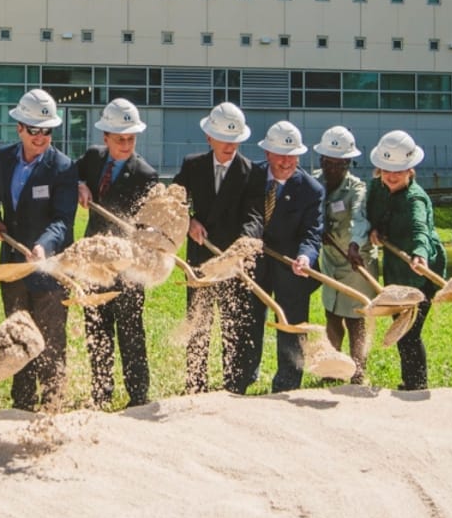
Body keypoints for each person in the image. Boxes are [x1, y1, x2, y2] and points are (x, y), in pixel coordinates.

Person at [0, 89, 79, 412]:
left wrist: (44, 246)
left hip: (50, 270)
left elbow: (63, 220)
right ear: (20, 128)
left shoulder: (62, 167)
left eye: (47, 131)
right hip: (13, 268)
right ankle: (21, 405)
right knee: (19, 337)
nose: (41, 137)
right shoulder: (4, 158)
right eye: (34, 130)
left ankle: (52, 405)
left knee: (51, 341)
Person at [172, 103, 266, 394]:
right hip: (200, 259)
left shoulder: (251, 172)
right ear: (209, 138)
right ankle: (195, 385)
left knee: (233, 325)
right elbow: (174, 200)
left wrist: (241, 247)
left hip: (233, 262)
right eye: (224, 139)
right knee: (198, 324)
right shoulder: (192, 165)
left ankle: (232, 387)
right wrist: (188, 221)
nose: (230, 145)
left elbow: (255, 216)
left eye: (235, 139)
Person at [75, 98, 159, 407]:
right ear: (105, 137)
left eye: (131, 139)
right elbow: (74, 172)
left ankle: (138, 395)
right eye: (119, 138)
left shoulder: (145, 174)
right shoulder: (93, 158)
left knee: (130, 328)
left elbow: (149, 221)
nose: (126, 144)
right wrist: (81, 184)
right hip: (94, 261)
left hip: (128, 264)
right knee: (96, 326)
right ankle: (101, 393)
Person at [363, 130, 444, 391]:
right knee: (401, 329)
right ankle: (411, 382)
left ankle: (416, 385)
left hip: (422, 270)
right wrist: (375, 230)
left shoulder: (415, 198)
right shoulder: (376, 187)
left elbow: (421, 229)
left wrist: (420, 254)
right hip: (396, 269)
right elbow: (372, 215)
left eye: (398, 169)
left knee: (409, 332)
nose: (392, 175)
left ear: (411, 169)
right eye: (386, 168)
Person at [252, 121, 325, 393]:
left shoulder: (311, 190)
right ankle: (244, 376)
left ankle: (287, 384)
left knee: (293, 325)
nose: (286, 161)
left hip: (290, 266)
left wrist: (305, 257)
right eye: (280, 154)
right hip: (254, 263)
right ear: (268, 153)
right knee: (249, 319)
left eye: (292, 155)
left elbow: (312, 232)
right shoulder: (251, 176)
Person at [313, 126, 375, 385]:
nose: (334, 170)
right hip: (331, 260)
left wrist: (355, 244)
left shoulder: (356, 188)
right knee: (332, 314)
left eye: (340, 164)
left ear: (349, 163)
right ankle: (332, 368)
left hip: (355, 260)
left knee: (356, 319)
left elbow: (360, 218)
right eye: (329, 163)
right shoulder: (314, 181)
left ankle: (357, 372)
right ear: (322, 161)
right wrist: (316, 231)